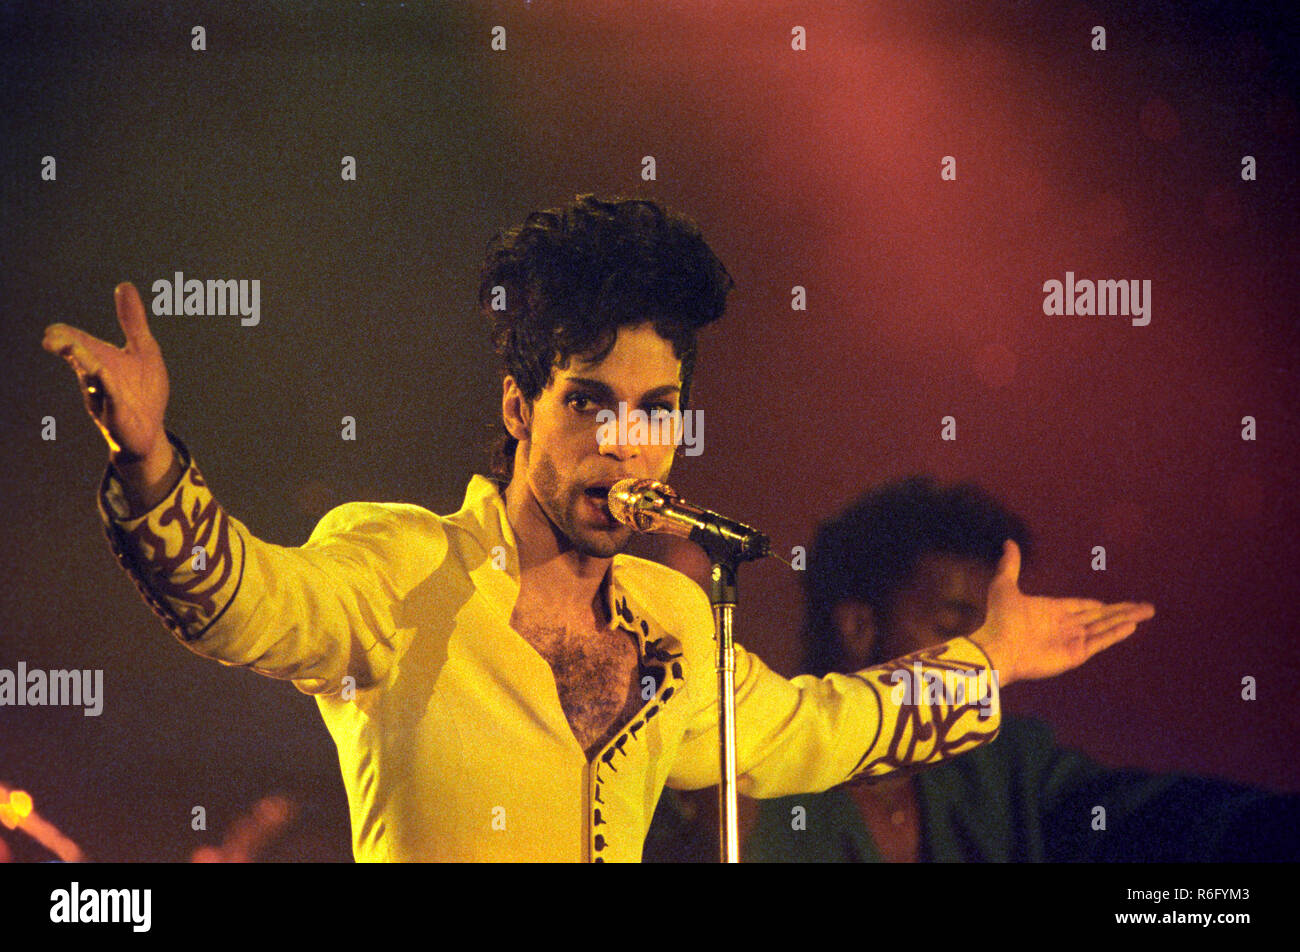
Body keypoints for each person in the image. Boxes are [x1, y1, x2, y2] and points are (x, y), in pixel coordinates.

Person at [41, 195, 1155, 862]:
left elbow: (809, 726)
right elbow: (241, 604)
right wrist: (149, 460)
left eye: (656, 411)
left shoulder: (675, 615)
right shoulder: (399, 564)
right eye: (591, 403)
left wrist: (988, 662)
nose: (627, 443)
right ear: (521, 408)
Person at [742, 476, 1300, 862]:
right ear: (858, 627)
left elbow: (1154, 819)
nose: (991, 658)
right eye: (962, 628)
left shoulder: (1004, 765)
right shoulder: (744, 777)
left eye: (996, 635)